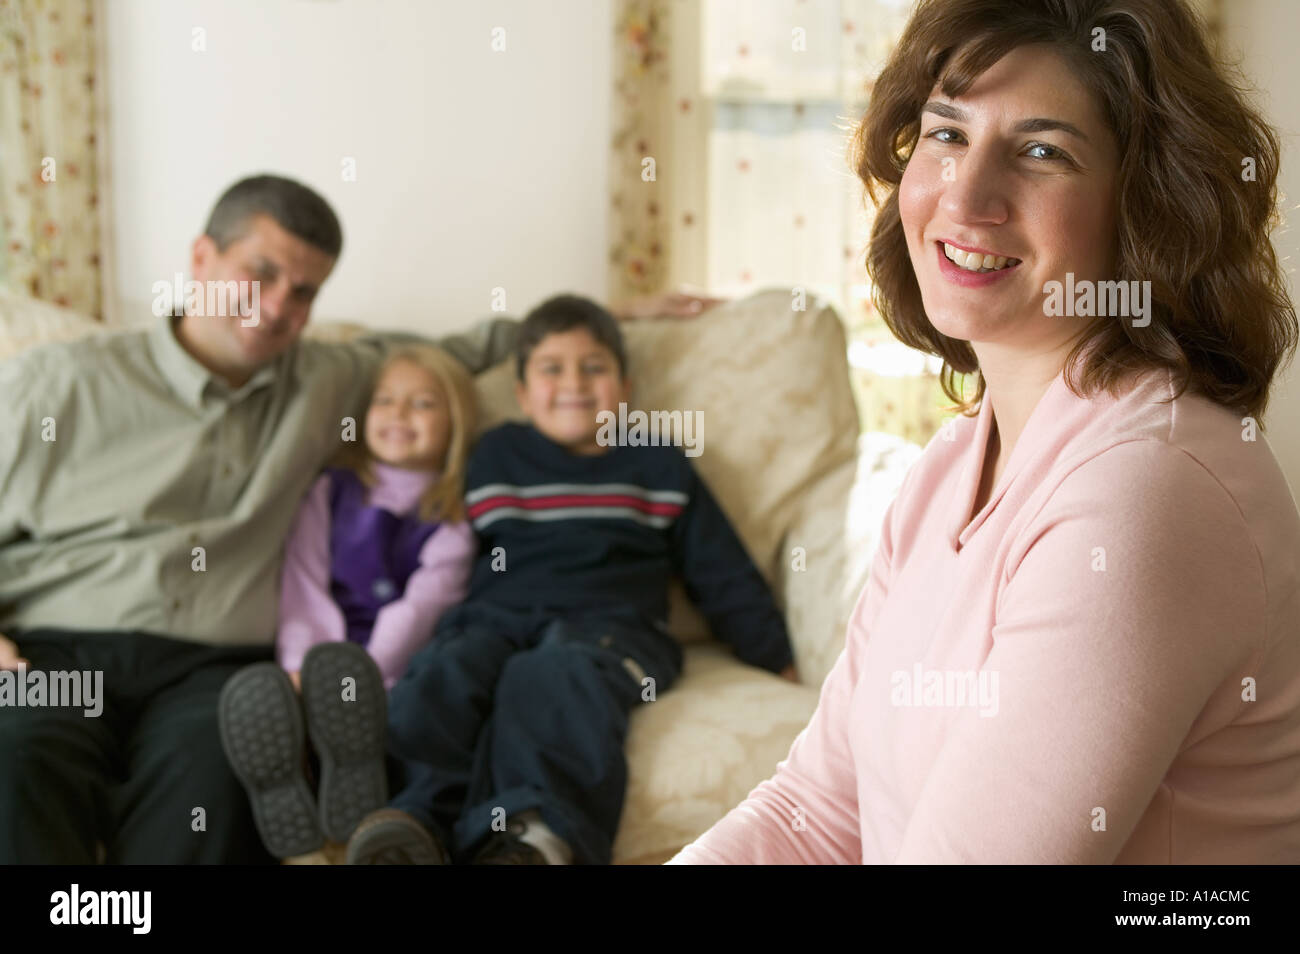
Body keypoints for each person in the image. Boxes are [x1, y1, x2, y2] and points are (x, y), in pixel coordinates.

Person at [671, 0, 1300, 864]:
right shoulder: (950, 466)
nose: (966, 197)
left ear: (1149, 204)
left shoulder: (1147, 489)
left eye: (1042, 151)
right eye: (946, 134)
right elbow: (816, 812)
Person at [0, 173, 717, 864]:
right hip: (50, 649)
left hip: (211, 671)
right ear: (200, 257)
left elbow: (464, 352)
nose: (278, 307)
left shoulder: (324, 379)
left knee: (213, 779)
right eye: (261, 273)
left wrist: (612, 319)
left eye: (304, 291)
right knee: (20, 755)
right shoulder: (61, 383)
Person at [344, 294, 798, 865]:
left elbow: (722, 571)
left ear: (625, 386)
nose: (574, 383)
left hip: (611, 626)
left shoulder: (656, 461)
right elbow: (430, 528)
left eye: (594, 367)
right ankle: (413, 822)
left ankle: (532, 839)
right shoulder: (494, 455)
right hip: (493, 618)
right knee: (444, 676)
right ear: (521, 393)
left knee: (550, 679)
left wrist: (777, 658)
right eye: (551, 369)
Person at [217, 343, 479, 858]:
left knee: (407, 721)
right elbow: (303, 584)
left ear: (457, 422)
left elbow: (421, 611)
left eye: (423, 404)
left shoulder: (452, 518)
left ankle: (363, 803)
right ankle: (300, 782)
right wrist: (303, 667)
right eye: (385, 401)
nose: (400, 415)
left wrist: (363, 674)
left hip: (392, 669)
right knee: (290, 707)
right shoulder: (329, 491)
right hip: (317, 662)